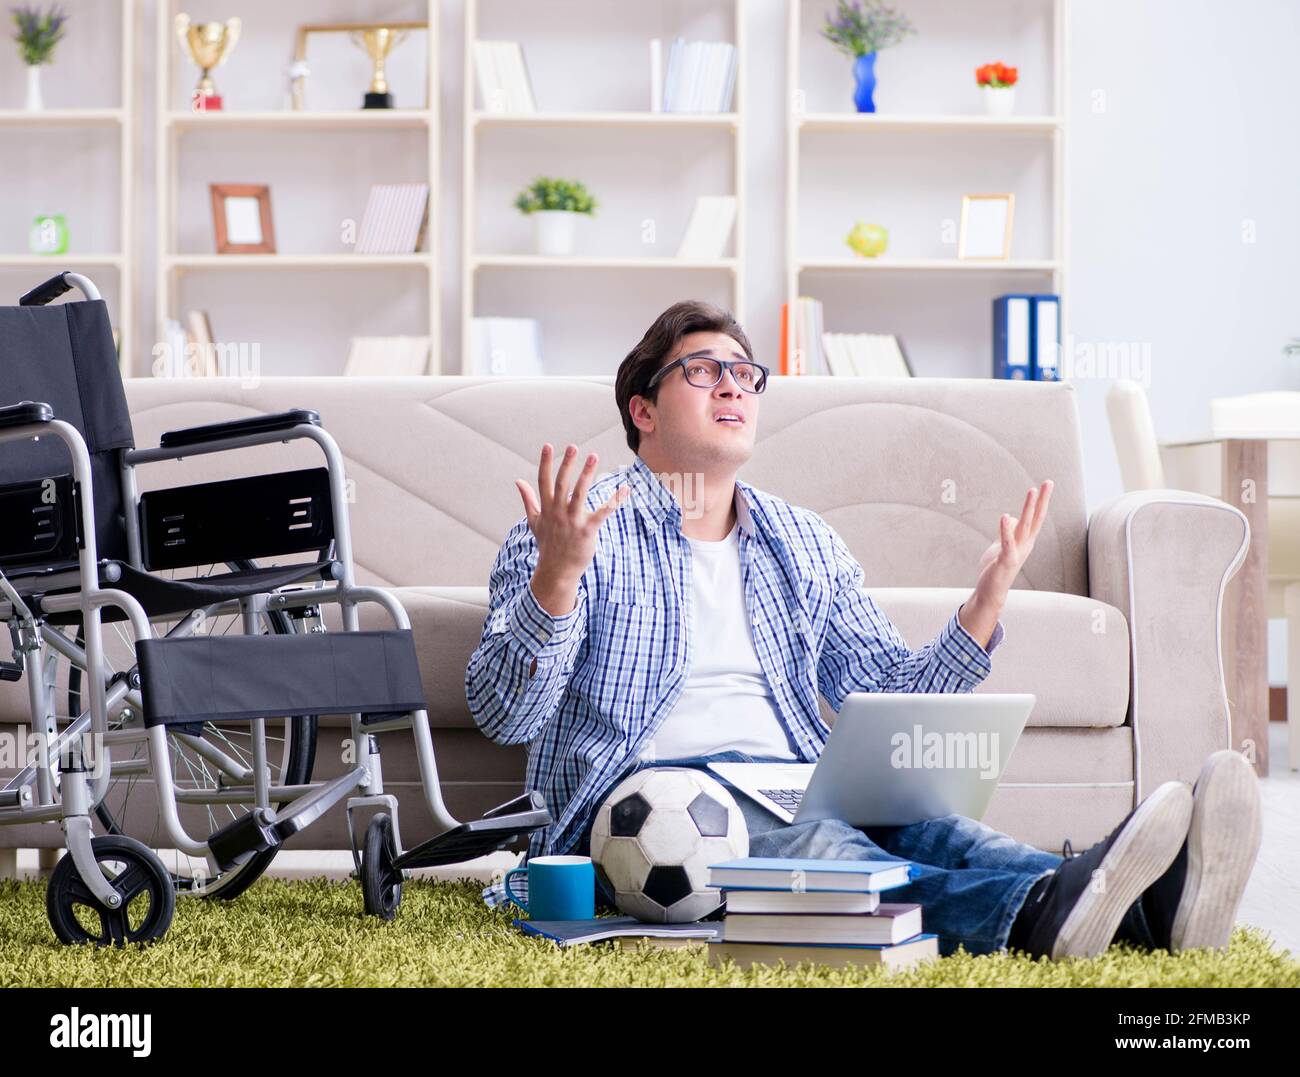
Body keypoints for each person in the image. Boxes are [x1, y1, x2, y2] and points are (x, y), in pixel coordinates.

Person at [465, 300, 1262, 959]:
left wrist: (983, 603)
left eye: (746, 374)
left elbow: (885, 691)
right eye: (703, 371)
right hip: (649, 806)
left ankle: (1147, 906)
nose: (732, 386)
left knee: (933, 826)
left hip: (787, 782)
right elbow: (506, 714)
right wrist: (558, 577)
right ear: (643, 408)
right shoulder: (573, 530)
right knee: (827, 857)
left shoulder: (800, 539)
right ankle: (1046, 911)